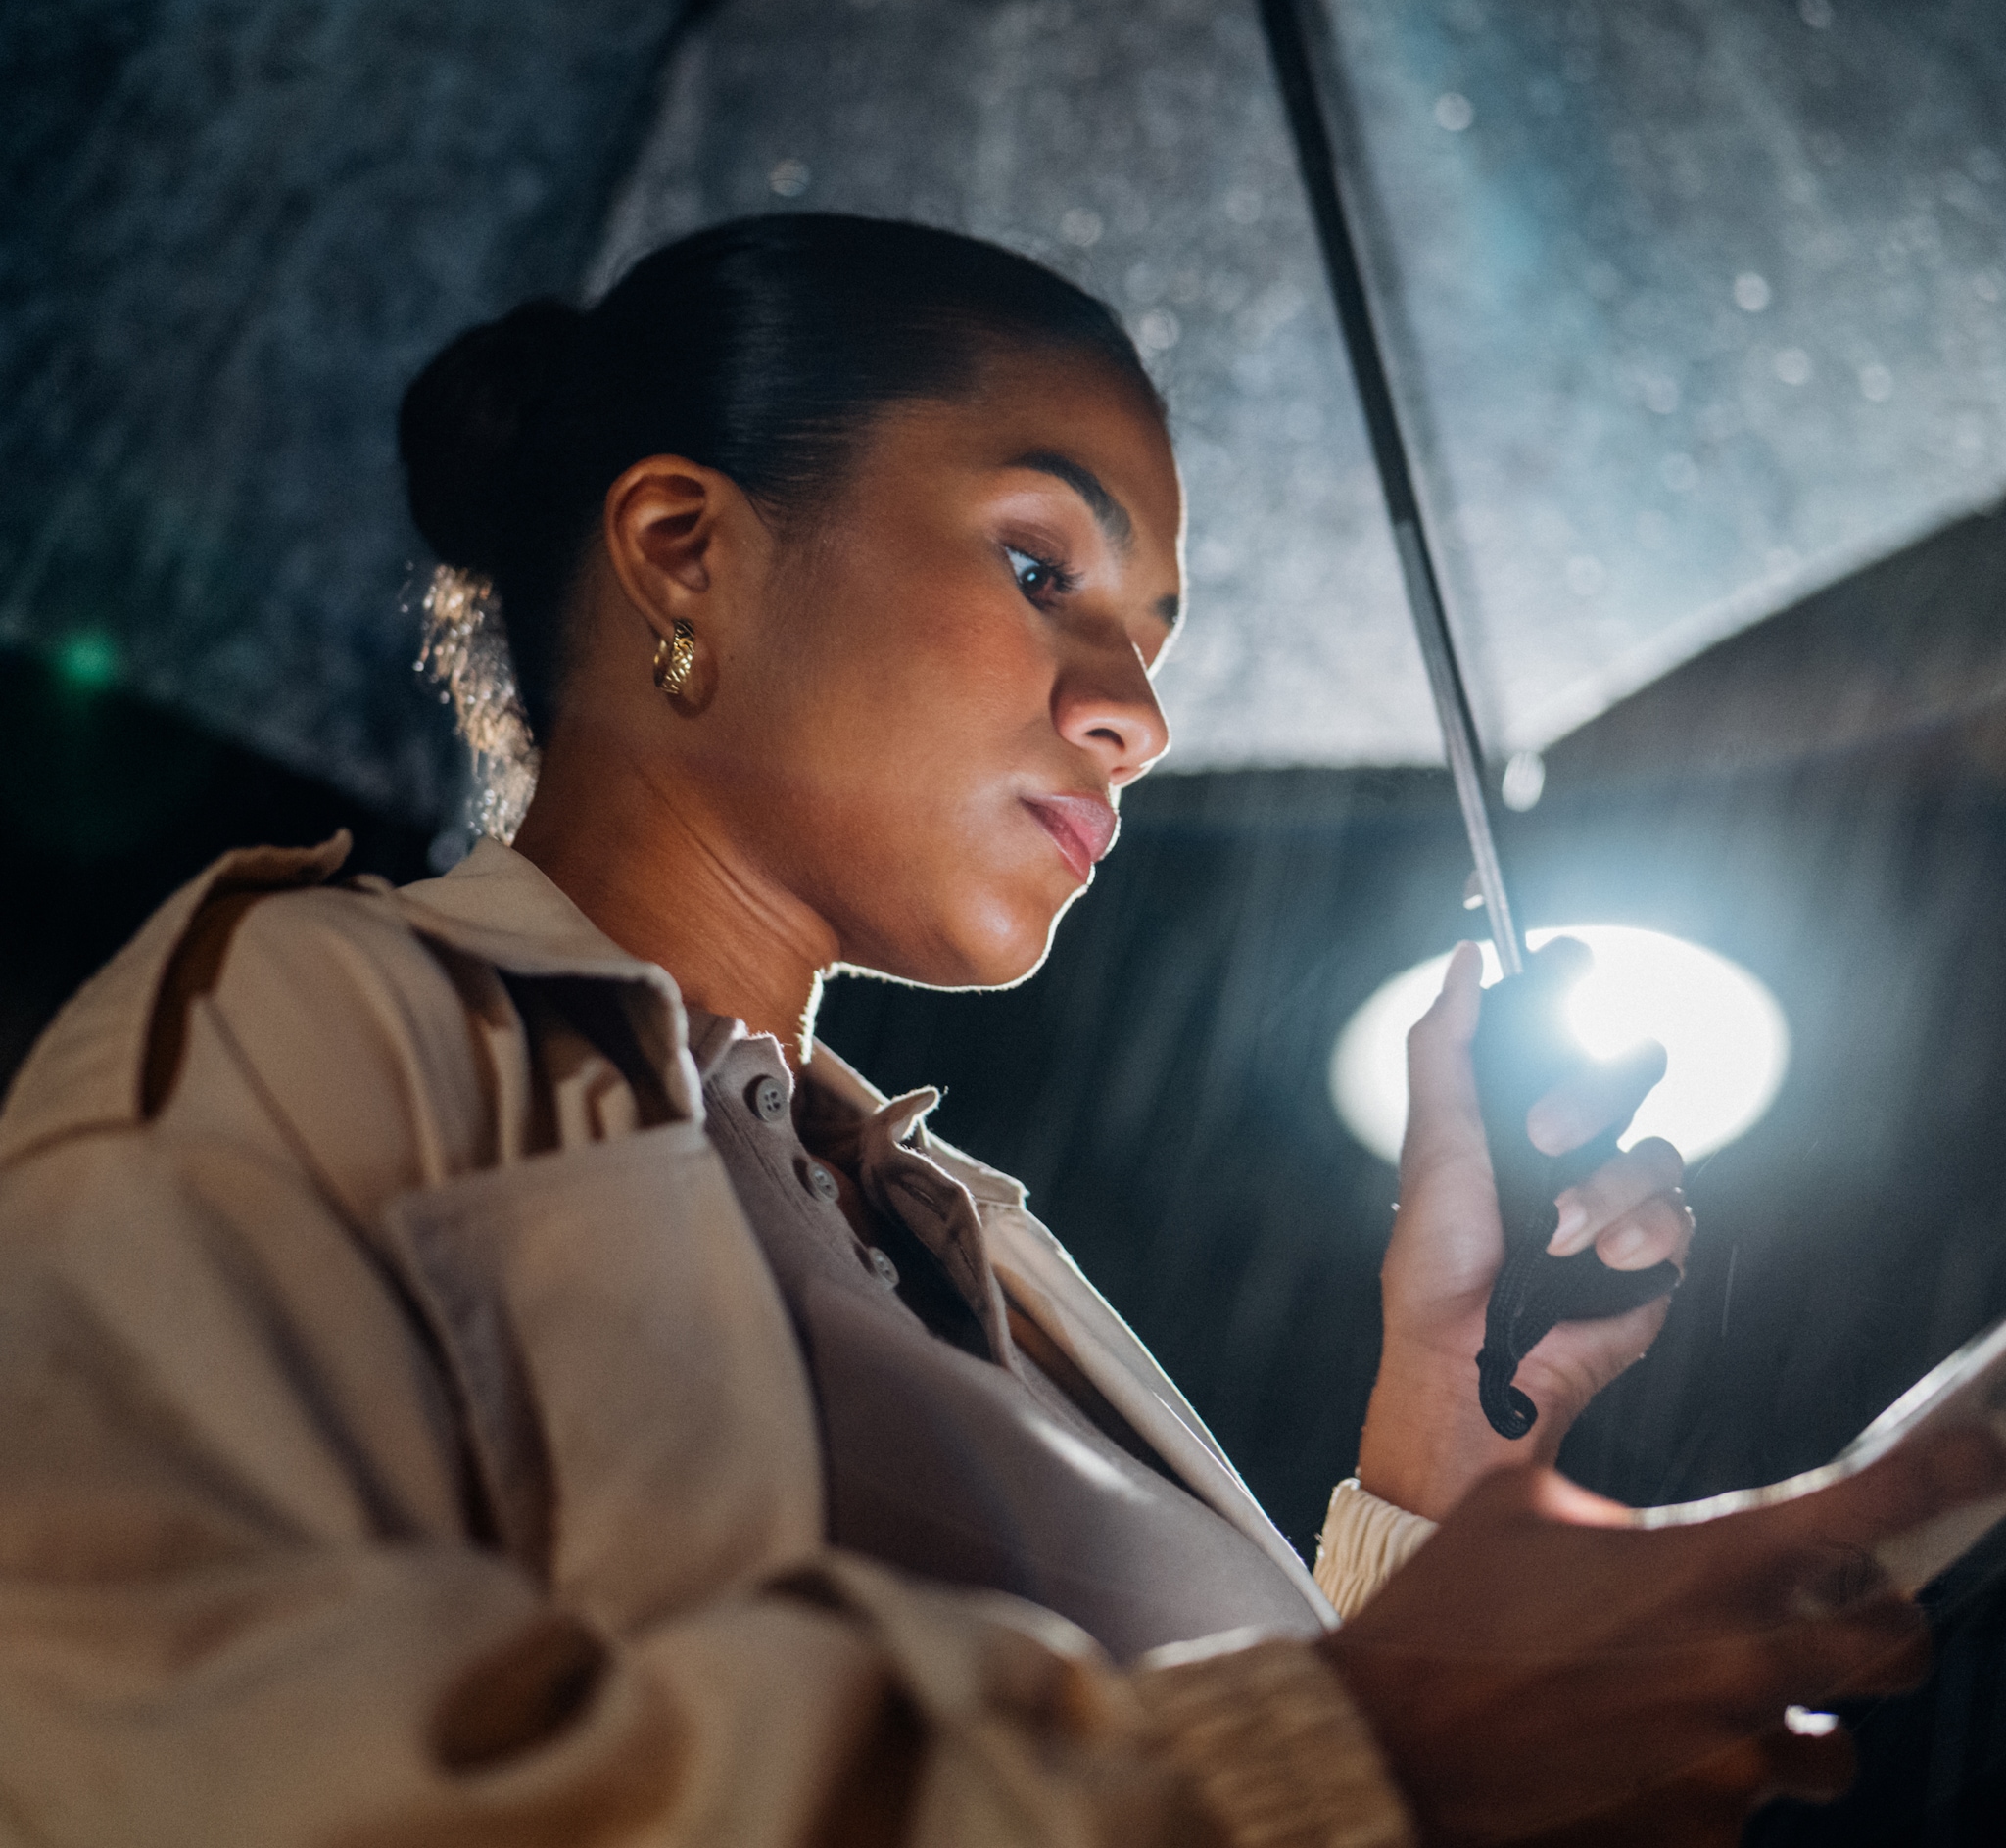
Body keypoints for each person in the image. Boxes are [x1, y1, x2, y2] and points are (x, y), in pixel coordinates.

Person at [0, 213, 1997, 1848]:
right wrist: (1371, 1746)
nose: (1138, 709)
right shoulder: (319, 1021)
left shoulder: (945, 1235)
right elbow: (180, 1764)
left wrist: (1443, 1448)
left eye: (1155, 630)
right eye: (1042, 564)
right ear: (680, 549)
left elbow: (1256, 1778)